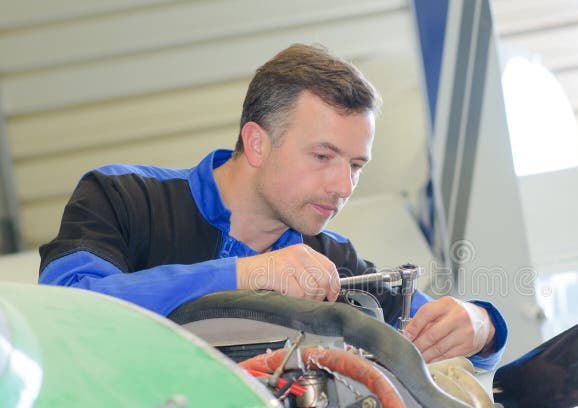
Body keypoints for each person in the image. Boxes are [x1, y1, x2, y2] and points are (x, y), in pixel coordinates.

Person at [39, 44, 507, 370]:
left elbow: (440, 323)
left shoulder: (334, 264)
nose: (344, 186)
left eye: (356, 165)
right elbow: (68, 314)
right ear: (258, 144)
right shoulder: (123, 197)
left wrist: (481, 324)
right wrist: (250, 275)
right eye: (323, 156)